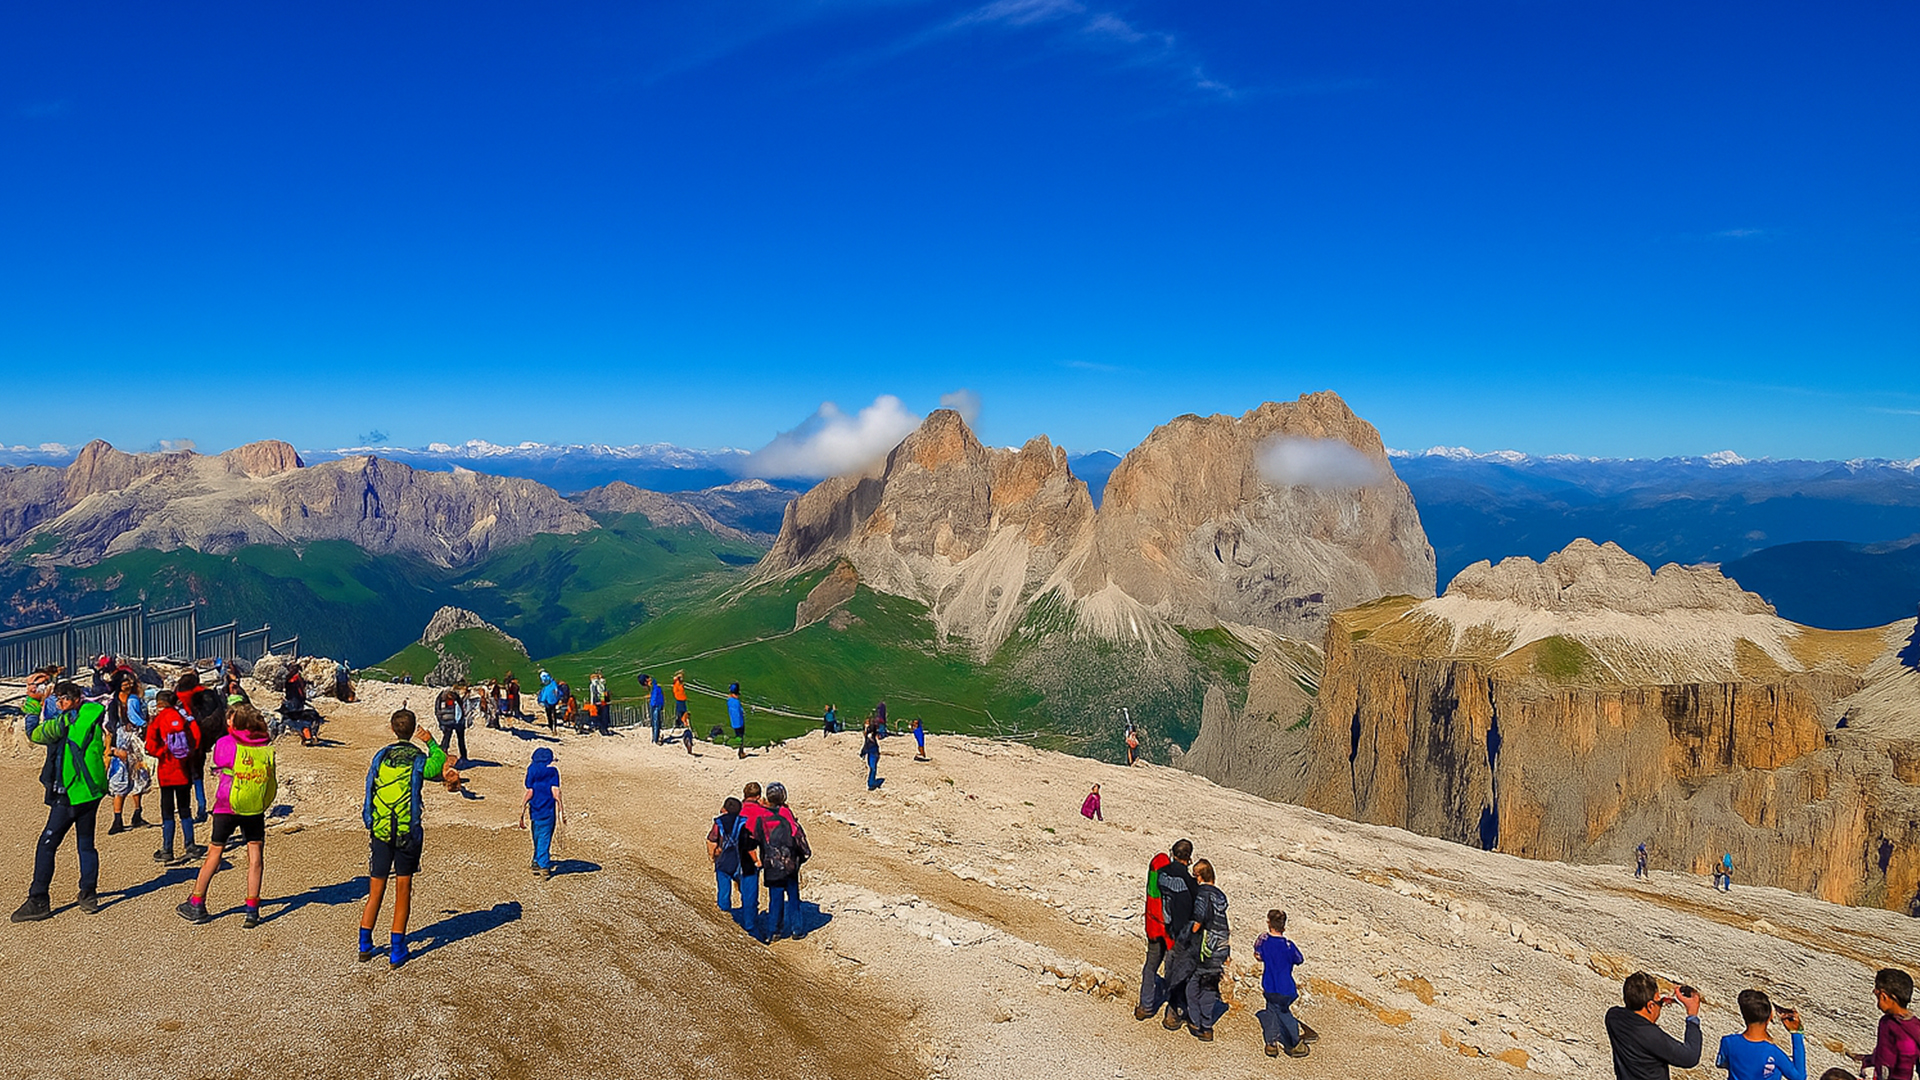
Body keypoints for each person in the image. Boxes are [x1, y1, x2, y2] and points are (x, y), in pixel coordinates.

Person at [11, 681, 110, 922]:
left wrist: (33, 702)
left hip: (69, 793)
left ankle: (39, 899)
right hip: (91, 790)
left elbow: (35, 734)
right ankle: (88, 895)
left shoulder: (66, 722)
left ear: (74, 700)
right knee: (86, 843)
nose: (60, 702)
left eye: (63, 698)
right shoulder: (92, 715)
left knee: (47, 843)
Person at [358, 708, 446, 968]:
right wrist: (429, 740)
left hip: (382, 829)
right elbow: (437, 764)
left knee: (376, 890)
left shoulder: (381, 756)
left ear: (392, 729)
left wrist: (370, 821)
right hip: (407, 832)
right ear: (413, 728)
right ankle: (397, 949)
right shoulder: (418, 759)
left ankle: (365, 944)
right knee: (403, 889)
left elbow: (369, 786)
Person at [178, 705, 276, 927]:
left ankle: (197, 902)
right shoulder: (263, 745)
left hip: (226, 805)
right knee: (255, 857)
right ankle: (252, 910)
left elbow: (217, 763)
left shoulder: (225, 743)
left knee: (214, 854)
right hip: (253, 807)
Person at [1606, 971, 1703, 1079]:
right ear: (1650, 1006)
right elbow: (1690, 1057)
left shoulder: (1613, 1017)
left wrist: (1660, 1001)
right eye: (1659, 1001)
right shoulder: (1650, 1035)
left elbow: (1628, 1012)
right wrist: (1692, 1014)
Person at [146, 690, 203, 865]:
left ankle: (167, 849)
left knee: (167, 811)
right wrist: (190, 754)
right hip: (183, 771)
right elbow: (197, 736)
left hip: (166, 772)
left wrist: (161, 753)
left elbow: (149, 745)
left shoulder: (157, 720)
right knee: (185, 809)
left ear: (159, 703)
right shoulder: (183, 718)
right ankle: (190, 845)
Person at [1146, 840, 1197, 1026]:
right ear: (1189, 857)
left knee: (1152, 966)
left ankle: (1146, 1005)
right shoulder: (1189, 882)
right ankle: (1172, 1015)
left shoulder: (1160, 873)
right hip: (1178, 934)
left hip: (1159, 926)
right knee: (1177, 973)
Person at [754, 782, 811, 942]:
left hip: (771, 864)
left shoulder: (762, 816)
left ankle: (774, 931)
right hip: (790, 862)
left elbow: (757, 837)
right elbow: (796, 834)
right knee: (793, 897)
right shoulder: (786, 812)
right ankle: (797, 929)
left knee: (775, 899)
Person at [1184, 858, 1230, 1041]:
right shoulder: (1220, 896)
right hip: (1221, 946)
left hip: (1205, 947)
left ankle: (1195, 1021)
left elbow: (1198, 922)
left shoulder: (1201, 894)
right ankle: (1208, 1026)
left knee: (1192, 985)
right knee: (1210, 986)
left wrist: (1184, 937)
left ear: (1200, 876)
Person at [1715, 988, 1805, 1080]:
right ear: (1770, 1016)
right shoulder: (1774, 1053)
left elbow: (1722, 1063)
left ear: (1744, 1015)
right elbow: (1799, 1077)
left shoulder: (1728, 1042)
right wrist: (1796, 1033)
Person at [1256, 909, 1308, 1058]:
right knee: (1283, 1012)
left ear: (1268, 923)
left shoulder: (1263, 941)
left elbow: (1258, 955)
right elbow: (1299, 959)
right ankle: (1294, 1041)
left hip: (1269, 985)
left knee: (1272, 1010)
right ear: (1284, 927)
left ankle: (1271, 1043)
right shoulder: (1288, 945)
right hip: (1286, 987)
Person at [105, 672, 151, 835]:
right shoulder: (124, 702)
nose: (129, 684)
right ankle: (124, 817)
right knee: (130, 777)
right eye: (125, 682)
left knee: (134, 776)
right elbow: (133, 718)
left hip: (125, 742)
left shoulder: (121, 701)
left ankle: (131, 815)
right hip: (126, 741)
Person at [707, 796, 760, 932]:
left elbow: (711, 840)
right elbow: (750, 845)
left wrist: (713, 856)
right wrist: (756, 860)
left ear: (724, 808)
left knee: (724, 891)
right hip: (742, 863)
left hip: (724, 862)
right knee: (748, 893)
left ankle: (724, 920)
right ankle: (749, 924)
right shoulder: (744, 822)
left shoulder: (718, 823)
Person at [1858, 968, 1920, 1080]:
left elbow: (1904, 1072)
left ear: (1884, 996)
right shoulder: (1889, 1022)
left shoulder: (1904, 1033)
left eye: (1877, 992)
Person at [519, 747, 564, 879]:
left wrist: (521, 812)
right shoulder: (553, 771)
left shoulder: (531, 769)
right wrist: (562, 810)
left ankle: (536, 861)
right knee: (545, 837)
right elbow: (556, 792)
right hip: (548, 810)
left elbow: (530, 792)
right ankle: (544, 866)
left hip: (535, 810)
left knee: (537, 836)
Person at [433, 689, 468, 765]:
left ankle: (463, 756)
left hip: (457, 722)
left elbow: (461, 709)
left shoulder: (456, 699)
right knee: (447, 738)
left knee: (459, 739)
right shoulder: (442, 698)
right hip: (448, 722)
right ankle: (443, 754)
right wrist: (442, 723)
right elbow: (437, 711)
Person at [638, 674, 662, 744]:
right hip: (655, 703)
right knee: (654, 722)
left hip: (656, 704)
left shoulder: (654, 683)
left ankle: (655, 740)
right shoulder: (653, 683)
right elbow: (654, 692)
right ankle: (655, 738)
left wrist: (652, 699)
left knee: (655, 722)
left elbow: (656, 693)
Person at [861, 717, 882, 790]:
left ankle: (871, 783)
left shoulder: (870, 735)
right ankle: (871, 782)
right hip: (873, 751)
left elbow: (867, 744)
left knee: (872, 768)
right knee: (872, 768)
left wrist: (863, 752)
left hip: (873, 751)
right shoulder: (870, 735)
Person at [727, 682, 747, 760]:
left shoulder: (729, 701)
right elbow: (740, 711)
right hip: (740, 722)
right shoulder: (737, 702)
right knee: (741, 737)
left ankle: (740, 750)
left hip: (734, 722)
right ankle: (741, 752)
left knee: (738, 736)